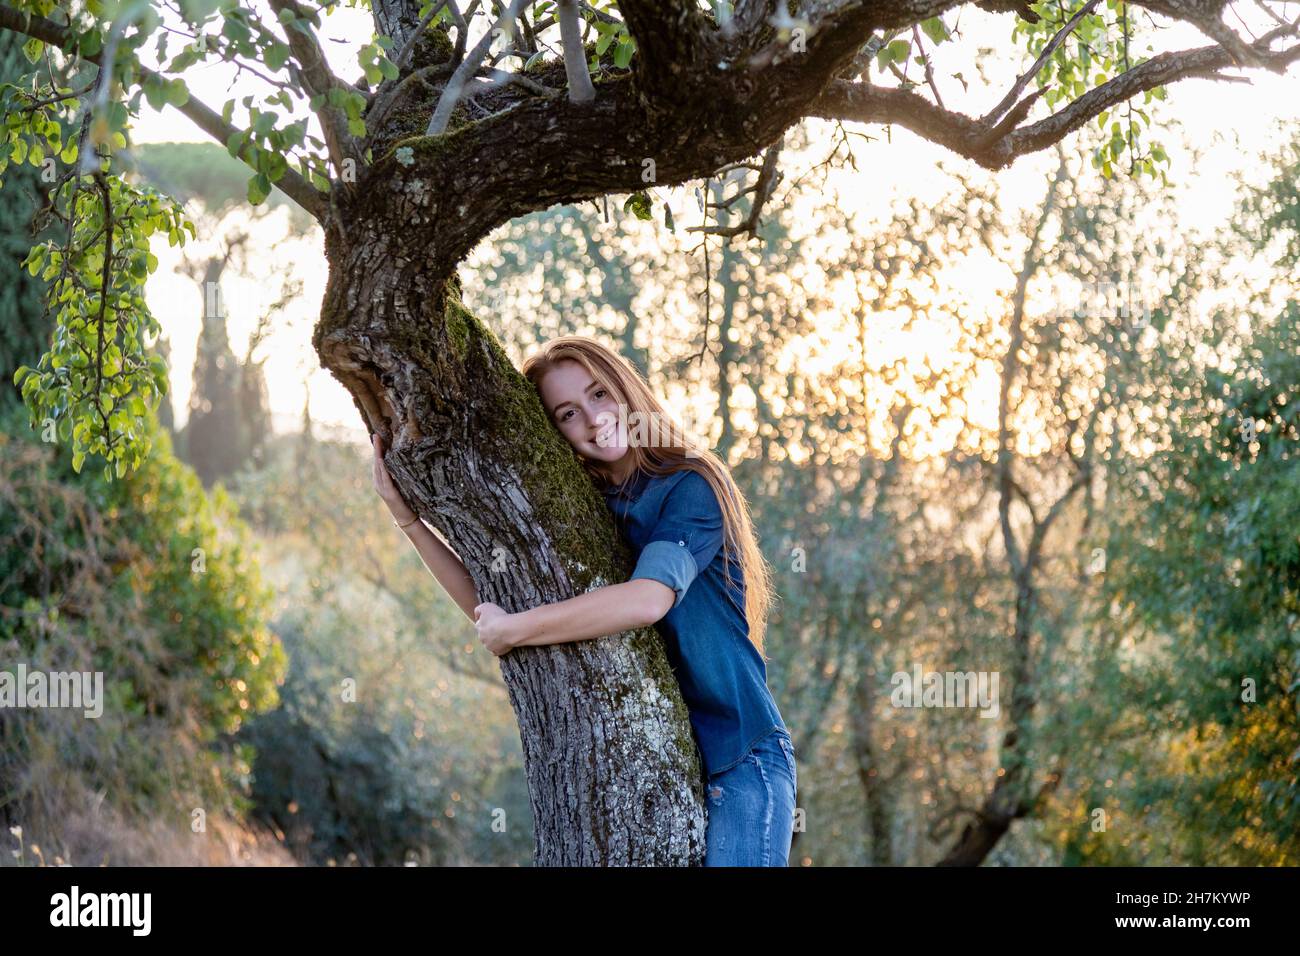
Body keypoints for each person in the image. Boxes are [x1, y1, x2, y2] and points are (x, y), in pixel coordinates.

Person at [371, 335, 797, 867]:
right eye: (568, 413)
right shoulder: (586, 509)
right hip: (663, 760)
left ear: (627, 388)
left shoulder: (690, 486)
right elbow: (492, 607)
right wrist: (409, 520)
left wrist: (516, 630)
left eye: (600, 394)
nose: (594, 419)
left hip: (742, 756)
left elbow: (647, 600)